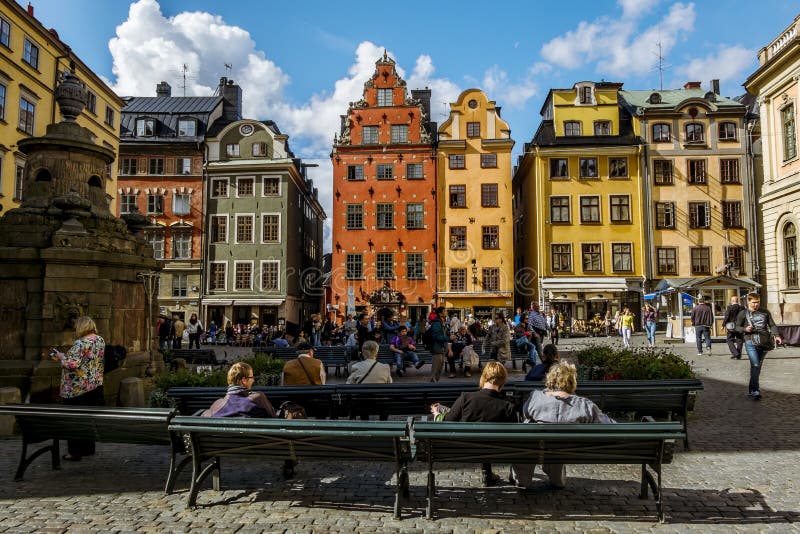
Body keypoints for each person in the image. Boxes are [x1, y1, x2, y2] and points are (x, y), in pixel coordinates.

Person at [511, 362, 614, 489]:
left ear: (550, 379)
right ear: (572, 381)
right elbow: (608, 425)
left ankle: (522, 476)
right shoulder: (584, 405)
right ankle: (555, 476)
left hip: (536, 446)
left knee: (530, 430)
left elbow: (525, 414)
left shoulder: (536, 397)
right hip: (565, 450)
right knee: (557, 443)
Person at [430, 361, 517, 487]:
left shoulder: (466, 398)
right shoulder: (508, 406)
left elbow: (447, 422)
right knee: (487, 437)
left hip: (465, 449)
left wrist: (437, 414)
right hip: (499, 451)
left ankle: (487, 472)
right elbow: (513, 436)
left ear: (484, 376)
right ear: (503, 381)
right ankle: (491, 473)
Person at [53, 316, 106, 461]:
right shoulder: (100, 340)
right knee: (87, 420)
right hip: (94, 386)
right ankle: (88, 449)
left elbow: (72, 364)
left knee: (74, 422)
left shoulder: (80, 343)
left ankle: (75, 452)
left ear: (81, 327)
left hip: (77, 389)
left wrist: (60, 357)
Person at [735, 293, 781, 400]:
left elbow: (772, 325)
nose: (756, 304)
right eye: (754, 302)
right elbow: (736, 327)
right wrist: (745, 329)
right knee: (756, 364)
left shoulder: (765, 312)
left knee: (756, 366)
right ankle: (756, 390)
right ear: (748, 302)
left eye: (758, 302)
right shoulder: (743, 313)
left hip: (764, 342)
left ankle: (752, 389)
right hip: (750, 341)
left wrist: (777, 336)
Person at [202, 362, 275, 418]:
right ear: (243, 380)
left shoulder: (217, 405)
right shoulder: (257, 398)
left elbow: (203, 418)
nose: (253, 380)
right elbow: (273, 418)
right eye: (251, 377)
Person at [428, 306, 452, 382]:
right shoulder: (437, 323)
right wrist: (449, 338)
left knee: (439, 370)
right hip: (437, 348)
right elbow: (436, 336)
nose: (446, 312)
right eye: (445, 311)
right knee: (435, 369)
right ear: (440, 313)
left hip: (441, 348)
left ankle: (435, 386)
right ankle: (431, 388)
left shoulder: (442, 322)